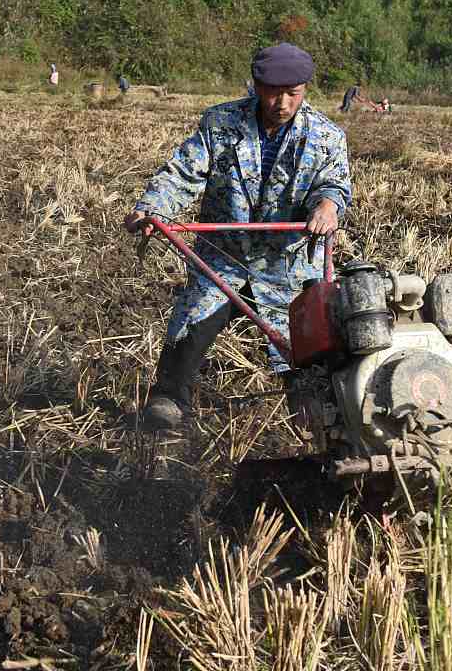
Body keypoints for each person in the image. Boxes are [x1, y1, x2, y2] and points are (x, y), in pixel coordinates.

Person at [124, 42, 351, 429]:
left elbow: (333, 185)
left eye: (292, 94)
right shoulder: (221, 124)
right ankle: (168, 400)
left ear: (306, 90)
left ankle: (316, 418)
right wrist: (153, 207)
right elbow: (183, 174)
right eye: (273, 92)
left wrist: (327, 206)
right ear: (256, 85)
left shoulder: (326, 137)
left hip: (286, 262)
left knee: (303, 348)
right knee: (190, 326)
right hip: (223, 256)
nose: (282, 102)